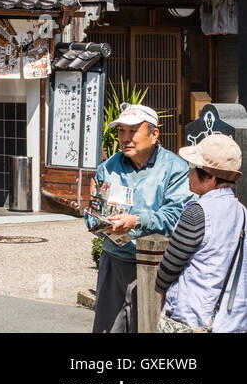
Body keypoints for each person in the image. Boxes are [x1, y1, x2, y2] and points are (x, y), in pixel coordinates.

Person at [88, 103, 191, 332]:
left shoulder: (176, 168)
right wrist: (95, 217)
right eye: (121, 131)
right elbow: (94, 216)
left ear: (154, 134)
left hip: (157, 265)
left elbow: (177, 216)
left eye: (133, 131)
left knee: (149, 327)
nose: (125, 138)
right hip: (114, 260)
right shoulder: (108, 167)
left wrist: (136, 221)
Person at [156, 133, 247, 333]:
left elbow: (171, 263)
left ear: (210, 176)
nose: (188, 173)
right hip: (233, 320)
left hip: (194, 317)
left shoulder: (197, 213)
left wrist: (161, 289)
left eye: (193, 168)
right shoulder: (242, 212)